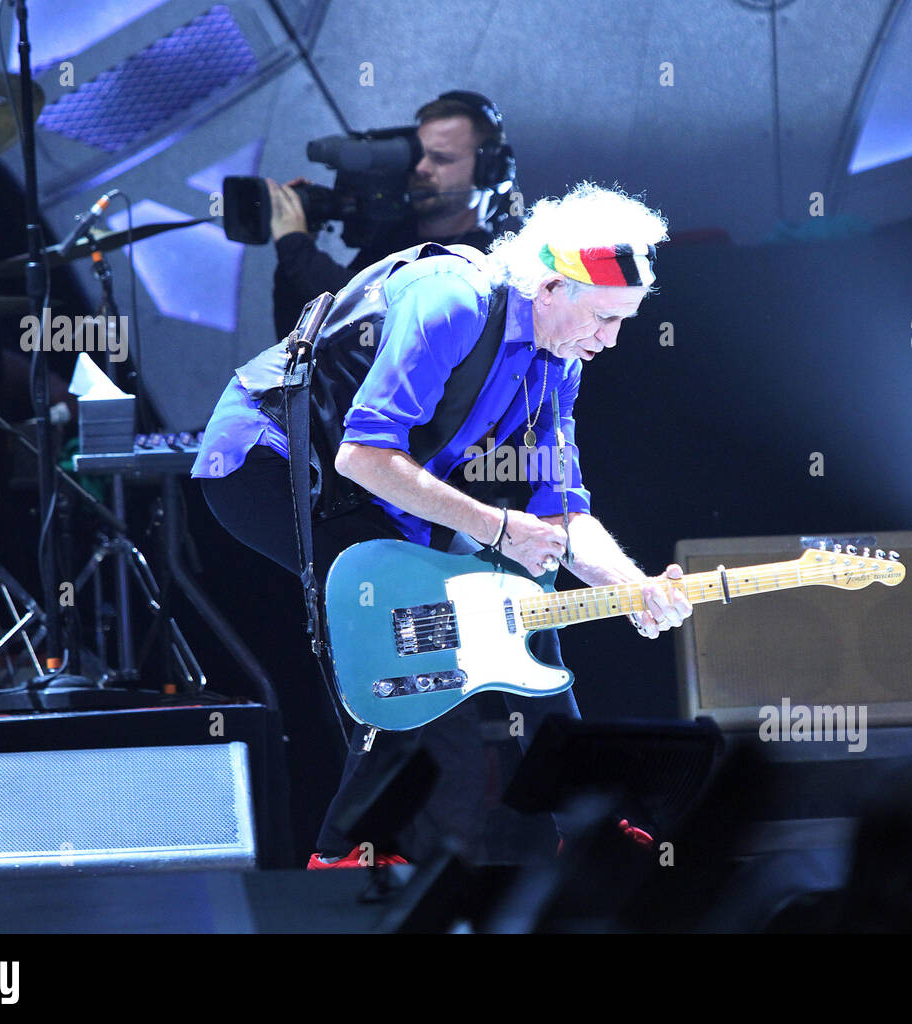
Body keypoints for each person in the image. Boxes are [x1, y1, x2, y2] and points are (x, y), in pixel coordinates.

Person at [193, 182, 693, 866]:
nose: (611, 341)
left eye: (624, 321)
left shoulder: (560, 365)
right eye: (604, 319)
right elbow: (364, 454)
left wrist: (632, 586)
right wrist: (496, 526)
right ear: (550, 288)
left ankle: (589, 824)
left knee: (527, 606)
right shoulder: (451, 299)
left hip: (365, 487)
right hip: (264, 463)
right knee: (408, 630)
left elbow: (562, 512)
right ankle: (348, 854)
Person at [268, 90, 514, 340]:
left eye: (441, 159)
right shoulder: (395, 238)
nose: (420, 168)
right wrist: (299, 240)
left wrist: (295, 245)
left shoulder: (483, 265)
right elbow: (300, 333)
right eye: (418, 154)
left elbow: (370, 308)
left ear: (490, 171)